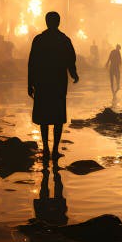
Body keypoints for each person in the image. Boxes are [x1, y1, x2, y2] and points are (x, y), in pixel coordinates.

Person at [28, 11, 79, 161]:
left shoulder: (39, 40)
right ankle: (55, 150)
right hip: (58, 83)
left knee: (44, 117)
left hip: (42, 83)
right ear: (58, 22)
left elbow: (32, 63)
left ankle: (45, 149)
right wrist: (73, 74)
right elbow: (71, 60)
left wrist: (30, 83)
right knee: (57, 116)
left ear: (46, 22)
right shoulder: (64, 40)